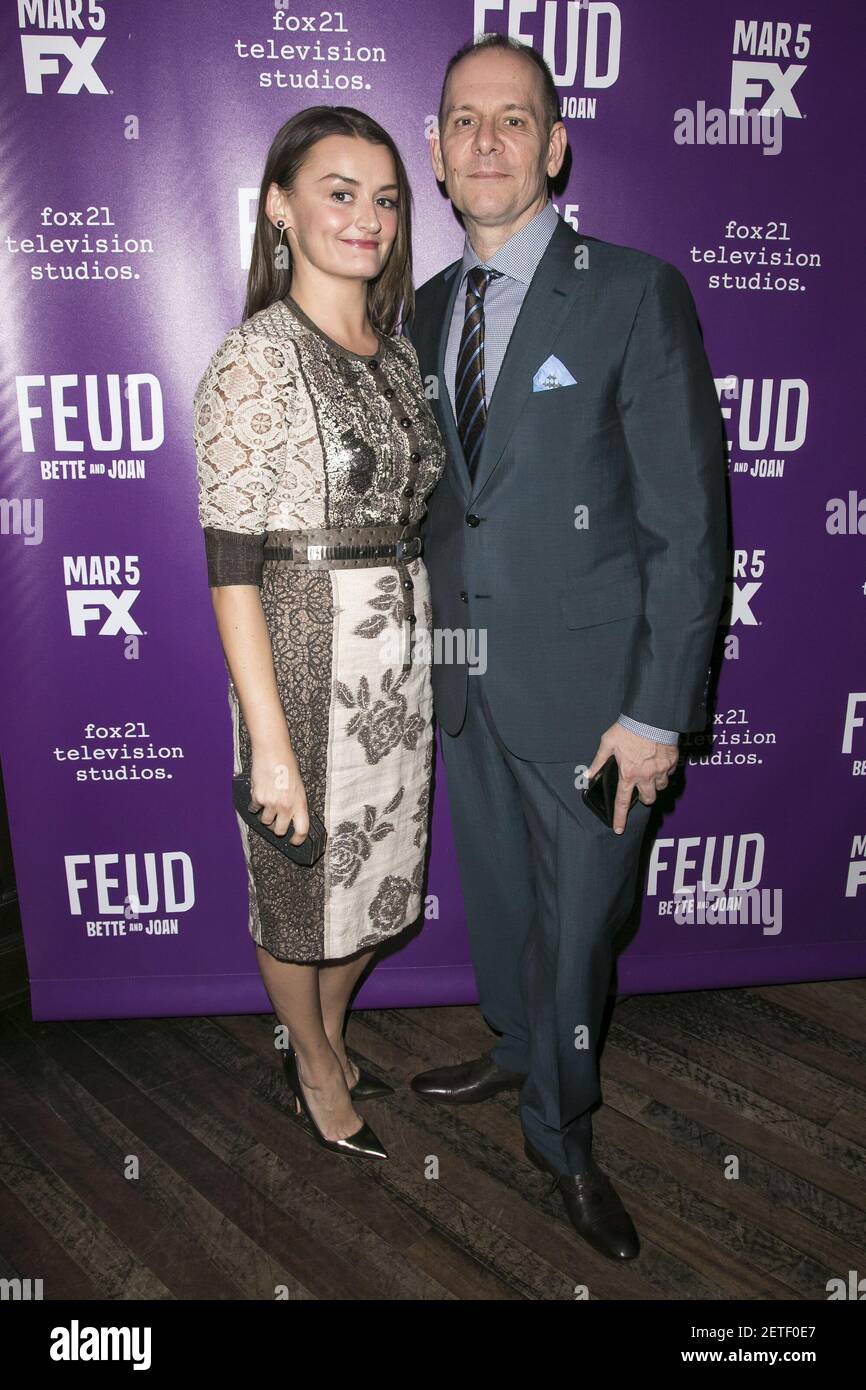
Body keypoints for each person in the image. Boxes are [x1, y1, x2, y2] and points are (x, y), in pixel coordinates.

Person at [405, 35, 728, 1259]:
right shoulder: (429, 309)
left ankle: (563, 1128)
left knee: (582, 923)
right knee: (499, 901)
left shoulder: (634, 291)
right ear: (435, 153)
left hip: (599, 702)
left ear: (553, 144)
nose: (485, 140)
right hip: (470, 683)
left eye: (512, 119)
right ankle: (511, 1052)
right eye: (461, 121)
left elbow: (687, 526)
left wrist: (656, 710)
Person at [193, 107, 446, 1160]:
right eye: (338, 191)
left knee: (378, 886)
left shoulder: (394, 357)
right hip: (300, 656)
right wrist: (273, 744)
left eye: (384, 197)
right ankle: (308, 1056)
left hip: (395, 663)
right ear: (279, 208)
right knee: (300, 895)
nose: (367, 217)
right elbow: (233, 569)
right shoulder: (254, 359)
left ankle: (328, 1031)